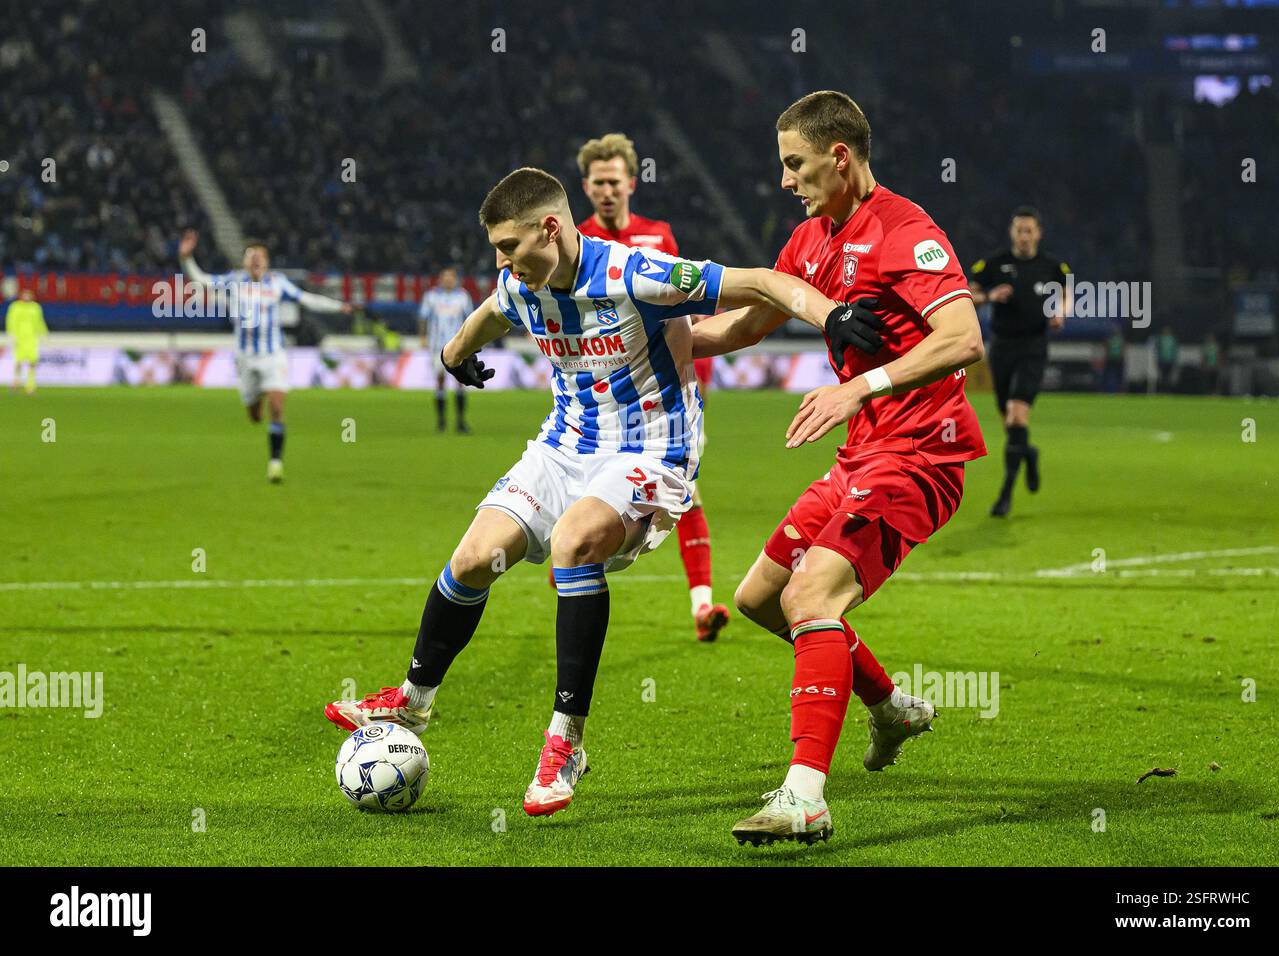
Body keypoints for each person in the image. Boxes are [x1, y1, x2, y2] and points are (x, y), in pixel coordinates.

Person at [324, 167, 875, 818]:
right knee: (473, 558)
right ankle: (414, 702)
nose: (501, 262)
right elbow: (492, 310)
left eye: (508, 246)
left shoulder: (637, 274)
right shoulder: (521, 284)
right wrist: (453, 354)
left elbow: (759, 282)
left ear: (549, 229)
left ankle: (566, 742)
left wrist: (830, 314)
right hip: (563, 446)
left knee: (574, 541)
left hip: (652, 449)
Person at [691, 90, 987, 846]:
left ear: (839, 155)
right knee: (760, 597)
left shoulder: (905, 231)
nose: (786, 180)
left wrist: (861, 385)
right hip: (863, 453)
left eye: (795, 164)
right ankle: (889, 708)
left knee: (812, 595)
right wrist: (664, 339)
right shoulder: (809, 241)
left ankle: (805, 797)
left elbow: (962, 338)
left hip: (921, 453)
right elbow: (747, 325)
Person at [575, 131, 728, 641]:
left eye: (614, 181)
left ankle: (702, 607)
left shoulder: (658, 236)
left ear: (631, 183)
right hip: (602, 400)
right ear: (586, 186)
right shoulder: (576, 242)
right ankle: (576, 581)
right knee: (588, 496)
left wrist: (691, 375)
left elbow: (680, 309)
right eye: (598, 182)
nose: (606, 190)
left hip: (659, 397)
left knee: (684, 496)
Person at [178, 230, 353, 482]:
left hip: (274, 356)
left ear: (267, 262)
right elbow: (201, 280)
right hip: (246, 358)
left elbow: (307, 299)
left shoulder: (278, 283)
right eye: (252, 256)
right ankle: (257, 394)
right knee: (254, 416)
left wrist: (338, 306)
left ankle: (275, 463)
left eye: (261, 256)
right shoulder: (233, 282)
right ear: (245, 262)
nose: (256, 260)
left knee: (278, 407)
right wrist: (186, 259)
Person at [968, 206, 1070, 517]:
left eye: (1029, 231)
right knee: (1010, 424)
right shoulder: (995, 264)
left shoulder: (1052, 266)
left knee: (1015, 415)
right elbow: (967, 292)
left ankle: (1005, 495)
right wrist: (988, 297)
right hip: (1001, 347)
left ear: (1038, 233)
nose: (1024, 236)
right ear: (1012, 233)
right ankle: (1028, 453)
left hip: (1034, 347)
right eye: (1019, 231)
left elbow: (1066, 292)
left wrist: (1061, 312)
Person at [418, 268, 475, 432]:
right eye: (445, 277)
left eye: (451, 277)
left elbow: (470, 319)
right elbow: (423, 317)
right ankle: (441, 422)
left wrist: (471, 341)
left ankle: (460, 422)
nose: (448, 280)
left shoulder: (463, 296)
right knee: (440, 380)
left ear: (456, 279)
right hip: (438, 346)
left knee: (460, 381)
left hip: (458, 346)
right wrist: (422, 337)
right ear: (440, 279)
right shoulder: (431, 296)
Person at [5, 289, 47, 394]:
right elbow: (10, 320)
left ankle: (30, 386)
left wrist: (44, 333)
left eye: (29, 295)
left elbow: (39, 321)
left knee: (33, 362)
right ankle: (16, 382)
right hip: (20, 338)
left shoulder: (36, 307)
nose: (27, 297)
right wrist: (12, 334)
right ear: (21, 296)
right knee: (19, 362)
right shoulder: (15, 307)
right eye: (25, 295)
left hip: (32, 338)